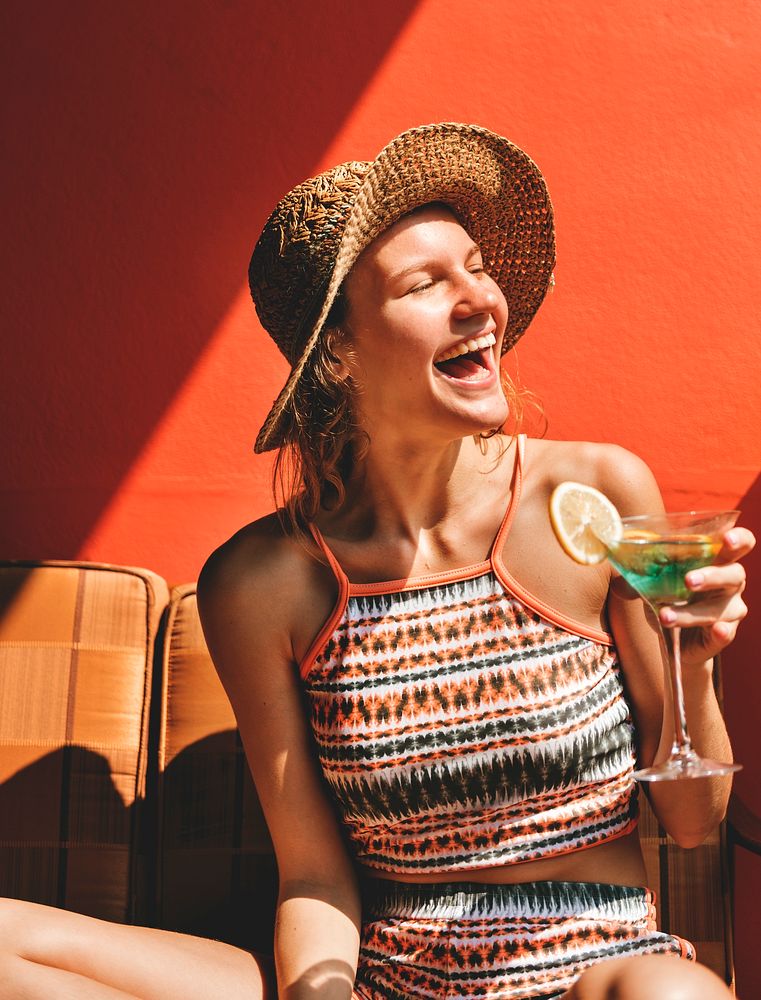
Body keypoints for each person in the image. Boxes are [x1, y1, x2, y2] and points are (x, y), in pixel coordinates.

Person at [0, 124, 751, 1000]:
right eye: (426, 283)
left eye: (476, 266)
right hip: (384, 979)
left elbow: (694, 824)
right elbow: (314, 876)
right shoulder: (263, 582)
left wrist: (689, 668)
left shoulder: (594, 489)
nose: (478, 299)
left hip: (593, 970)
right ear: (338, 352)